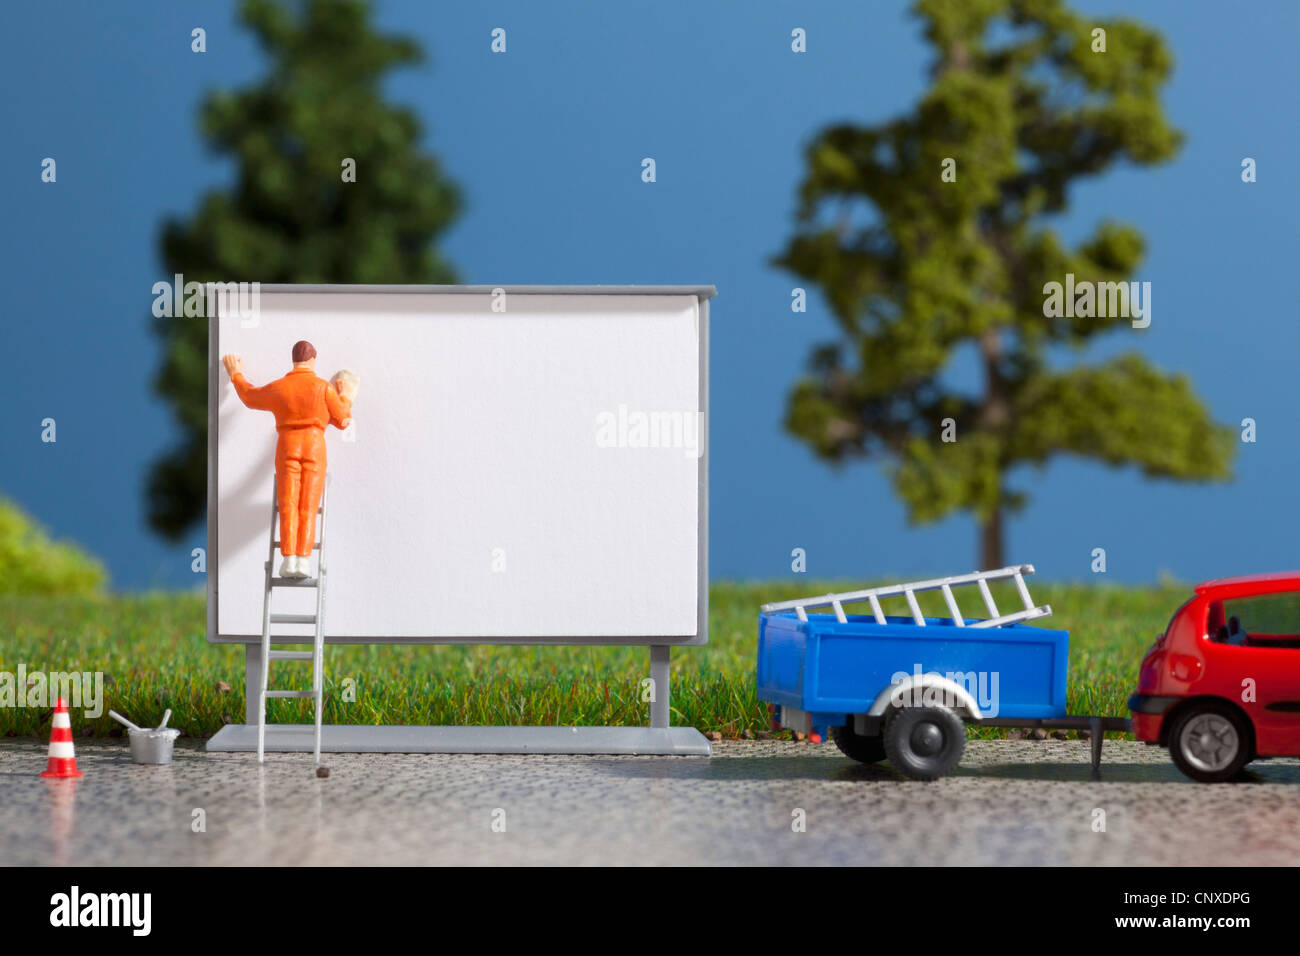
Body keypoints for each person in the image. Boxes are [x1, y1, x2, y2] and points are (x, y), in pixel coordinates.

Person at [222, 341, 355, 579]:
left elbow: (250, 397)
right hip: (315, 447)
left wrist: (236, 374)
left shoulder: (281, 387)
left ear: (294, 360)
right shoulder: (324, 388)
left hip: (287, 446)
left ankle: (288, 560)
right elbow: (343, 419)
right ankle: (303, 560)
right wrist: (345, 395)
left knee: (288, 503)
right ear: (313, 359)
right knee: (308, 504)